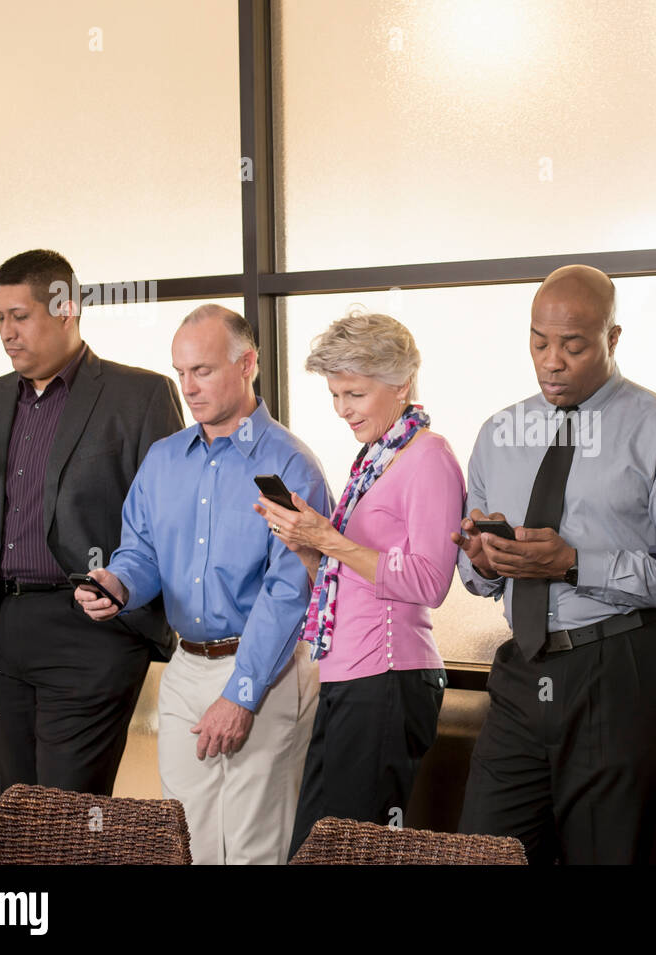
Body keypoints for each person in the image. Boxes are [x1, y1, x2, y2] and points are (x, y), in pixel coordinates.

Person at [452, 264, 656, 864]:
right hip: (523, 666)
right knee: (484, 850)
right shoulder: (499, 433)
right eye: (539, 341)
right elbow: (474, 574)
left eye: (573, 345)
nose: (552, 360)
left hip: (623, 666)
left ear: (613, 338)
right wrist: (484, 561)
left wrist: (575, 562)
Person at [0, 249, 183, 797]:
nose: (6, 333)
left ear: (66, 310)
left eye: (20, 315)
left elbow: (167, 517)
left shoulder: (139, 396)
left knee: (66, 816)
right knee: (15, 812)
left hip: (91, 631)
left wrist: (127, 592)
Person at [75, 304, 328, 865]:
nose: (188, 387)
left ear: (247, 364)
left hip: (268, 669)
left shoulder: (292, 465)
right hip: (185, 668)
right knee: (185, 842)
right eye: (180, 372)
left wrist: (241, 694)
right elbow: (140, 552)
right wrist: (116, 583)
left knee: (253, 849)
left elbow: (290, 593)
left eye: (204, 370)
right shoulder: (163, 460)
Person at [258, 310, 464, 859]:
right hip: (348, 674)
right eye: (334, 394)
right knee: (314, 850)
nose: (342, 409)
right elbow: (348, 580)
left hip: (389, 680)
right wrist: (307, 547)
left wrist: (327, 539)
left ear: (400, 383)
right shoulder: (376, 459)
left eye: (354, 393)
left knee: (351, 851)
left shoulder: (429, 458)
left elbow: (429, 581)